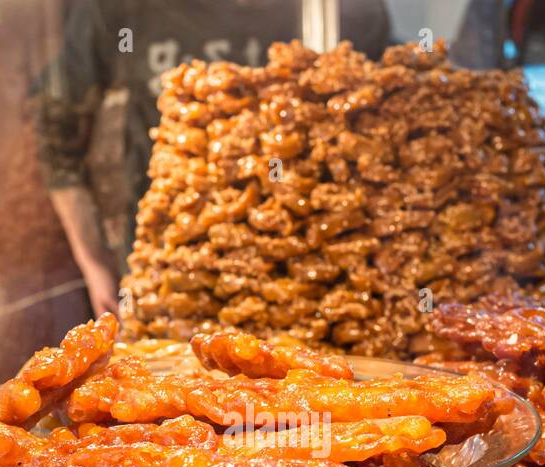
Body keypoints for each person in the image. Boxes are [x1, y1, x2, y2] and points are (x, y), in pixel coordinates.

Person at [35, 0, 392, 317]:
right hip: (175, 281)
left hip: (319, 286)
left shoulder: (348, 12)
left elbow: (391, 124)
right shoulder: (125, 9)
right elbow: (55, 123)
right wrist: (94, 265)